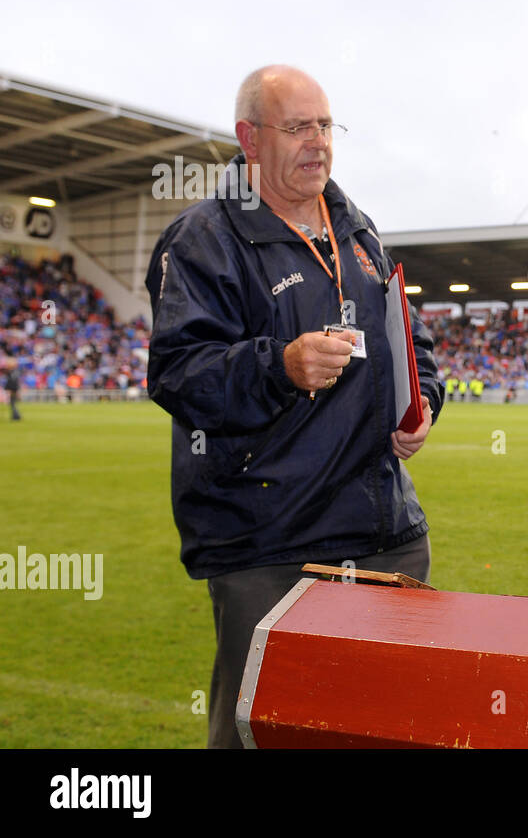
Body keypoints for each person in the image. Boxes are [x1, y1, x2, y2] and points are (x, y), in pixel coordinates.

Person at [146, 65, 444, 748]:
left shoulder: (357, 227)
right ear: (250, 138)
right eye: (297, 127)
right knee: (263, 734)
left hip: (383, 533)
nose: (318, 142)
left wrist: (421, 402)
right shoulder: (204, 240)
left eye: (325, 125)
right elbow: (178, 373)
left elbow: (411, 336)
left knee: (377, 729)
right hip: (270, 543)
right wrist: (277, 366)